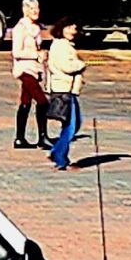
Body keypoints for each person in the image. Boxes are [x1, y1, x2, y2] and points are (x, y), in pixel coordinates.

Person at [10, 0, 51, 149]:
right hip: (24, 69)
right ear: (25, 10)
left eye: (37, 8)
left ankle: (20, 138)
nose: (36, 11)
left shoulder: (37, 28)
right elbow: (16, 52)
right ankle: (42, 136)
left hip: (35, 69)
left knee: (26, 102)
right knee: (42, 101)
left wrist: (41, 55)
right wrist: (35, 55)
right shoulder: (20, 29)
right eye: (32, 9)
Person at [46, 18, 86, 171]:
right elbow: (67, 66)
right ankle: (60, 158)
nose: (72, 31)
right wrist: (81, 64)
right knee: (71, 125)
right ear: (61, 28)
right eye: (69, 27)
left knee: (72, 124)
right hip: (65, 90)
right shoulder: (61, 46)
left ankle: (57, 152)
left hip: (67, 90)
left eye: (74, 28)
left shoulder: (62, 45)